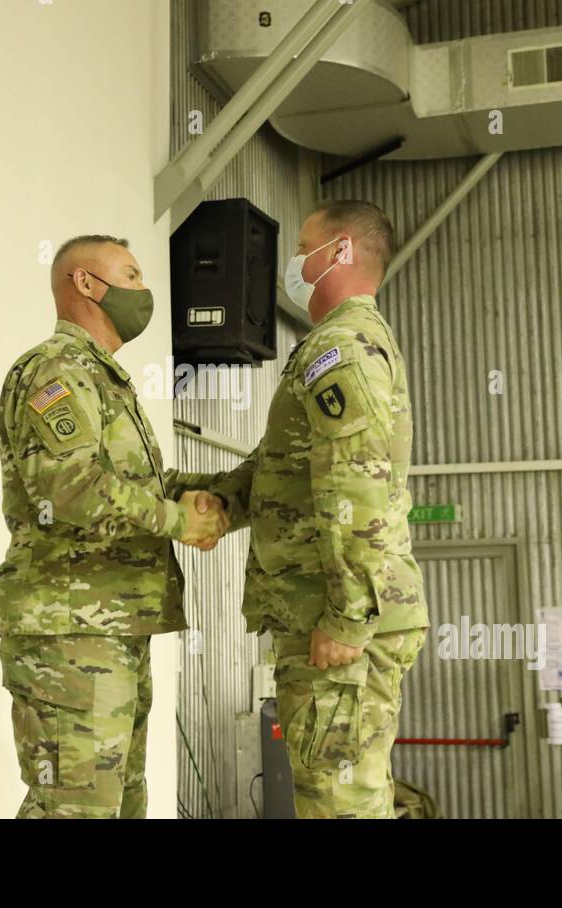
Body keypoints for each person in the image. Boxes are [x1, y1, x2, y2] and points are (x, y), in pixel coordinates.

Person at [199, 200, 429, 818]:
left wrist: (348, 618)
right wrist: (211, 504)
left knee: (338, 802)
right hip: (325, 613)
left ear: (341, 252)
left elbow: (358, 488)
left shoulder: (342, 349)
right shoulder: (332, 345)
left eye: (304, 248)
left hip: (336, 619)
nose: (295, 262)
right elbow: (282, 468)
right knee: (341, 795)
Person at [0, 234, 225, 818]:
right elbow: (70, 488)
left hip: (112, 624)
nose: (143, 290)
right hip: (69, 630)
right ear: (86, 284)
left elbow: (142, 487)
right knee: (73, 807)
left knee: (120, 804)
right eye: (130, 275)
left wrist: (231, 493)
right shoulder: (55, 371)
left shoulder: (103, 377)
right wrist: (179, 521)